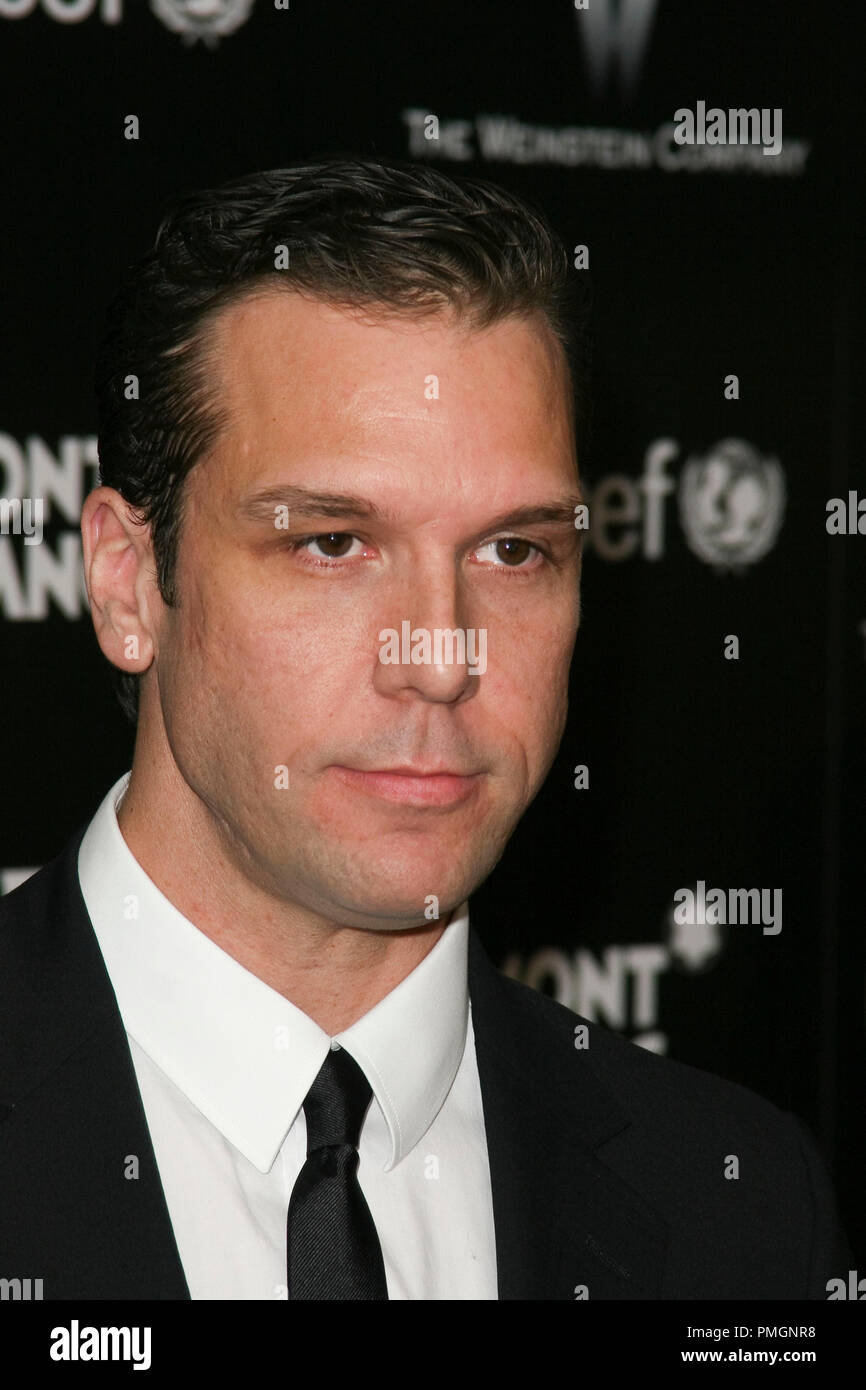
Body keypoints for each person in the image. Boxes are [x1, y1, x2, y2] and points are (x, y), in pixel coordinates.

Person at [0, 157, 852, 1300]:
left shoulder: (739, 1216)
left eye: (513, 551)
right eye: (332, 544)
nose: (441, 658)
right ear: (126, 584)